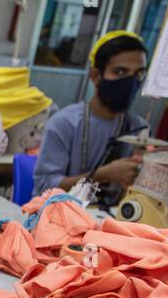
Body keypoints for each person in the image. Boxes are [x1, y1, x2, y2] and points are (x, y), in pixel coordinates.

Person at [32, 30, 149, 196]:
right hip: (62, 215)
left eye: (138, 73)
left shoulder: (138, 127)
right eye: (120, 72)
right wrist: (101, 175)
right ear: (95, 76)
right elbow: (44, 187)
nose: (130, 82)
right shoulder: (65, 124)